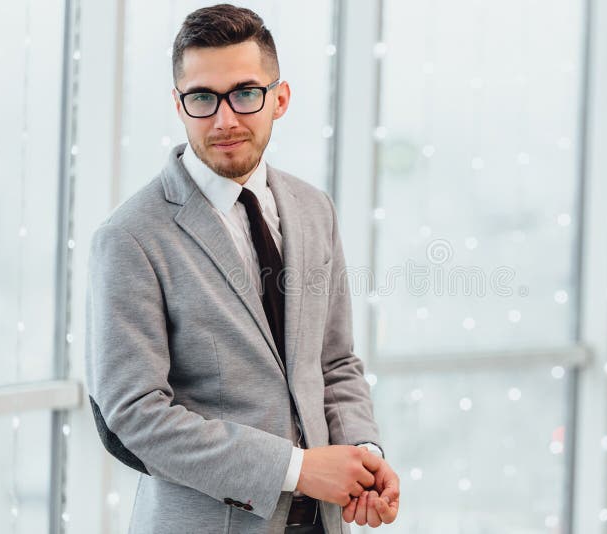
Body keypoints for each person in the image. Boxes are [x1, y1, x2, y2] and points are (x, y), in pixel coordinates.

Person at [84, 4, 399, 533]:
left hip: (324, 523)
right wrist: (298, 470)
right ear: (179, 105)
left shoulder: (313, 208)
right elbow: (134, 415)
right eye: (202, 98)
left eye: (245, 93)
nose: (224, 119)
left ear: (280, 98)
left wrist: (362, 459)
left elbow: (334, 362)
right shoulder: (129, 238)